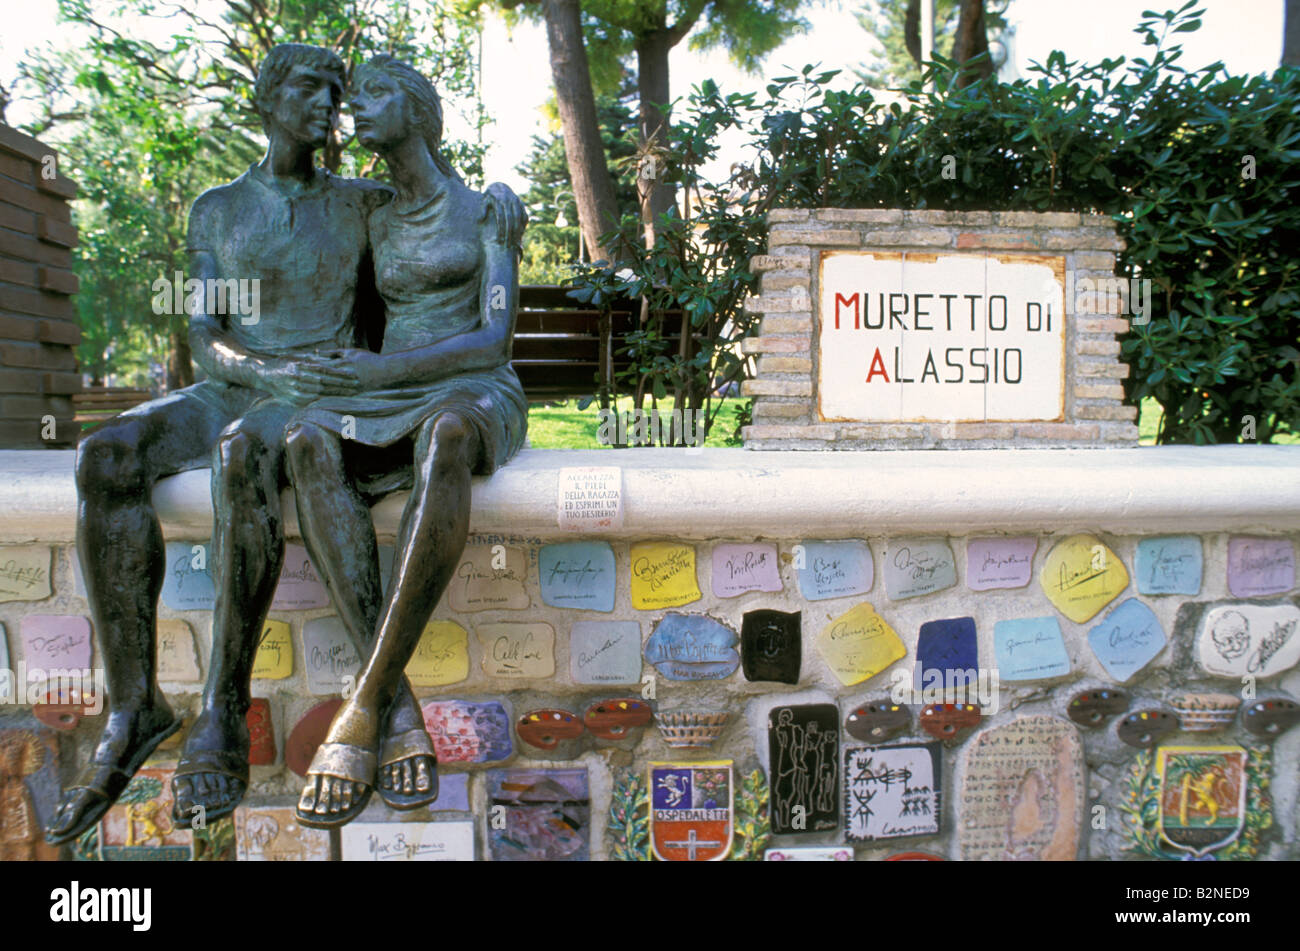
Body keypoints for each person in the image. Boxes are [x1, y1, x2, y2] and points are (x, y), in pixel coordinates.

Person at [44, 43, 420, 844]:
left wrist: (493, 203)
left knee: (243, 452)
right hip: (235, 380)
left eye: (335, 91)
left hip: (307, 396)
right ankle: (134, 702)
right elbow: (206, 336)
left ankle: (222, 703)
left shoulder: (360, 203)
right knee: (103, 456)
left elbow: (435, 215)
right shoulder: (216, 208)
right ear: (269, 96)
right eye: (311, 87)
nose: (328, 103)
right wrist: (262, 365)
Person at [287, 54, 527, 827]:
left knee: (448, 432)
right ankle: (396, 709)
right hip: (388, 390)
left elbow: (493, 339)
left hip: (472, 389)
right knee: (305, 443)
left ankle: (359, 706)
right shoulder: (370, 215)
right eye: (353, 99)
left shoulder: (486, 209)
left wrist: (387, 369)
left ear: (420, 112)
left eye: (376, 95)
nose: (355, 109)